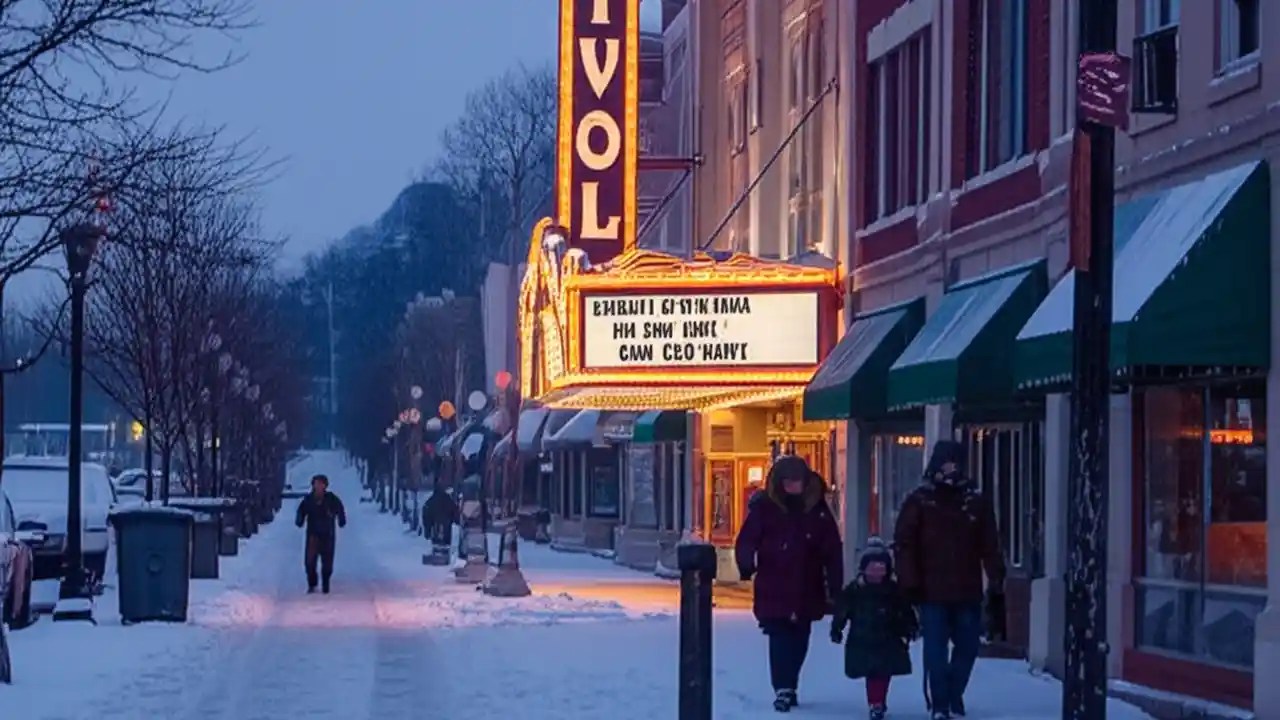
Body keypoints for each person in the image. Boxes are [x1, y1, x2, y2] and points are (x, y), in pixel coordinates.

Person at [893, 440, 1005, 720]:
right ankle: (941, 702)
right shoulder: (920, 500)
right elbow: (904, 543)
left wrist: (996, 577)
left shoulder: (975, 502)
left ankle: (954, 694)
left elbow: (990, 543)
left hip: (967, 588)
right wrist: (909, 582)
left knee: (968, 646)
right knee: (935, 649)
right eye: (946, 462)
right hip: (930, 589)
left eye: (955, 462)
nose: (950, 468)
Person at [735, 455, 843, 713]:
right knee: (780, 636)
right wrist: (747, 565)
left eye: (797, 481)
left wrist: (835, 584)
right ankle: (783, 687)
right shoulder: (765, 509)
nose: (793, 486)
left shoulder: (816, 510)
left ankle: (789, 684)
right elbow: (747, 539)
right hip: (775, 583)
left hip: (807, 582)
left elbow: (831, 548)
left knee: (799, 637)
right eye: (788, 481)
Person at [830, 537, 917, 720]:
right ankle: (876, 703)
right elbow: (843, 610)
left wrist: (910, 627)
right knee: (874, 673)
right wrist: (837, 627)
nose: (877, 573)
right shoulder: (856, 590)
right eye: (872, 568)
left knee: (883, 673)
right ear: (864, 569)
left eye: (881, 568)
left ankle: (878, 701)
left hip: (888, 638)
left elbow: (905, 611)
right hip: (863, 640)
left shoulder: (894, 591)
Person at [295, 474, 347, 594]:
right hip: (313, 534)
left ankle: (325, 583)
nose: (318, 486)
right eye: (316, 484)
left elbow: (340, 509)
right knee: (310, 562)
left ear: (325, 485)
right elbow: (301, 511)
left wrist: (341, 520)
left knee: (327, 561)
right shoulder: (309, 500)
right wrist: (299, 520)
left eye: (321, 484)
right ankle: (312, 583)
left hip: (327, 534)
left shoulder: (331, 499)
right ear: (313, 485)